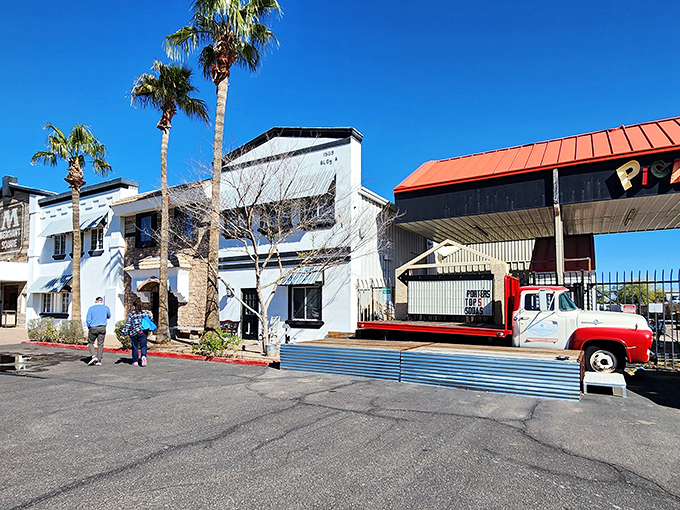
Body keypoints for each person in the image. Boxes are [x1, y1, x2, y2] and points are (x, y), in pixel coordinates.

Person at [120, 300, 153, 367]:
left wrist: (123, 333)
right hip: (143, 332)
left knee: (135, 347)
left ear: (134, 307)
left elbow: (127, 324)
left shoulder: (131, 314)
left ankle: (135, 361)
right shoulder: (144, 313)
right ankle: (143, 356)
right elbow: (151, 318)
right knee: (143, 346)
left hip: (134, 333)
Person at [86, 297, 111, 366]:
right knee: (100, 344)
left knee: (90, 342)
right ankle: (99, 360)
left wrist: (89, 326)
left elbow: (88, 319)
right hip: (102, 327)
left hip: (93, 327)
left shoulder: (91, 308)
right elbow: (109, 316)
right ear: (102, 301)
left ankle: (93, 356)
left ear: (96, 301)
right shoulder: (106, 308)